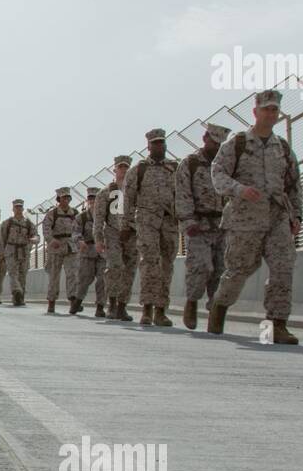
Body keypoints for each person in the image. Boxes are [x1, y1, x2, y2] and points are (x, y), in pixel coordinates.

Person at [207, 90, 303, 343]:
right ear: (255, 112)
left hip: (276, 217)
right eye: (267, 109)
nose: (271, 113)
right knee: (239, 270)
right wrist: (239, 190)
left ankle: (277, 325)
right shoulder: (236, 144)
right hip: (244, 220)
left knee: (283, 267)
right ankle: (219, 305)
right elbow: (217, 175)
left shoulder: (281, 147)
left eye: (275, 109)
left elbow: (293, 184)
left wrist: (297, 216)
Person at [176, 124, 231, 329]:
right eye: (213, 141)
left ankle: (214, 313)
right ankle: (191, 303)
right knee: (201, 267)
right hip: (197, 225)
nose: (215, 146)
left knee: (220, 270)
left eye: (219, 143)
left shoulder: (226, 164)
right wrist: (188, 221)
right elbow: (182, 194)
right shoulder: (190, 164)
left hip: (222, 224)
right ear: (205, 138)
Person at [124, 129, 179, 326]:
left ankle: (161, 311)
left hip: (170, 222)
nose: (159, 146)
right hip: (146, 222)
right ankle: (147, 308)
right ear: (148, 146)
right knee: (149, 263)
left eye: (162, 143)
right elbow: (128, 201)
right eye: (155, 143)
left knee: (167, 266)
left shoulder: (174, 168)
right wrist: (126, 225)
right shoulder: (138, 170)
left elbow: (184, 195)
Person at [95, 155, 138, 322]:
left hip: (132, 234)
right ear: (115, 169)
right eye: (121, 167)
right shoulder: (106, 193)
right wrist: (98, 239)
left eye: (127, 167)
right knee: (115, 267)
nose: (124, 170)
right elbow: (98, 218)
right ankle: (112, 302)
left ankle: (122, 306)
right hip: (113, 234)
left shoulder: (135, 190)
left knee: (129, 270)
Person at [69, 187, 105, 318]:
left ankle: (100, 307)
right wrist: (80, 241)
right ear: (87, 201)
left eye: (95, 198)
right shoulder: (82, 217)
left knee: (103, 279)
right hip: (87, 252)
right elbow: (75, 232)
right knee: (84, 280)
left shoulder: (106, 216)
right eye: (91, 198)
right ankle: (77, 301)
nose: (93, 201)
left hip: (102, 252)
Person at [41, 187, 78, 313]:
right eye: (63, 198)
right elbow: (46, 229)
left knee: (72, 274)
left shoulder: (75, 214)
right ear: (59, 199)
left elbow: (79, 230)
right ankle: (51, 302)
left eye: (68, 198)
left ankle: (73, 301)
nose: (66, 200)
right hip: (56, 248)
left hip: (70, 246)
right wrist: (51, 240)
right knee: (54, 276)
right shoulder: (52, 214)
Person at [0, 199, 36, 307]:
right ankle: (16, 291)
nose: (18, 209)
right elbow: (2, 239)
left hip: (24, 251)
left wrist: (34, 239)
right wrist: (1, 254)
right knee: (13, 273)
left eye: (20, 207)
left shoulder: (28, 223)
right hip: (11, 250)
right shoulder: (7, 223)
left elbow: (35, 234)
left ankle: (20, 298)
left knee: (23, 275)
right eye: (16, 207)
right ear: (13, 209)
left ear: (23, 208)